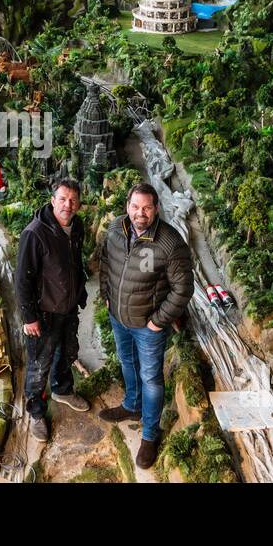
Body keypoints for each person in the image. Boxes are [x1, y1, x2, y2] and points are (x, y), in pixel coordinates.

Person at [97, 182, 193, 469]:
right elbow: (105, 264)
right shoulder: (115, 229)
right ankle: (131, 405)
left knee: (152, 378)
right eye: (136, 207)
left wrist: (158, 321)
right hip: (118, 317)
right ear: (127, 207)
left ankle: (150, 434)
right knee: (127, 361)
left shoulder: (169, 243)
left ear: (156, 209)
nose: (141, 213)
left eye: (147, 207)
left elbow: (183, 288)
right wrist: (106, 296)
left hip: (147, 325)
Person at [16, 178, 91, 442]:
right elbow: (22, 279)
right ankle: (36, 413)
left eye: (72, 200)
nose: (67, 205)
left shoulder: (77, 227)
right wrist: (30, 317)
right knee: (38, 367)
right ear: (53, 200)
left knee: (68, 352)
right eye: (62, 199)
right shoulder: (35, 233)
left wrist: (80, 292)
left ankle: (63, 390)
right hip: (44, 314)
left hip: (68, 307)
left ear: (78, 204)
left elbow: (75, 263)